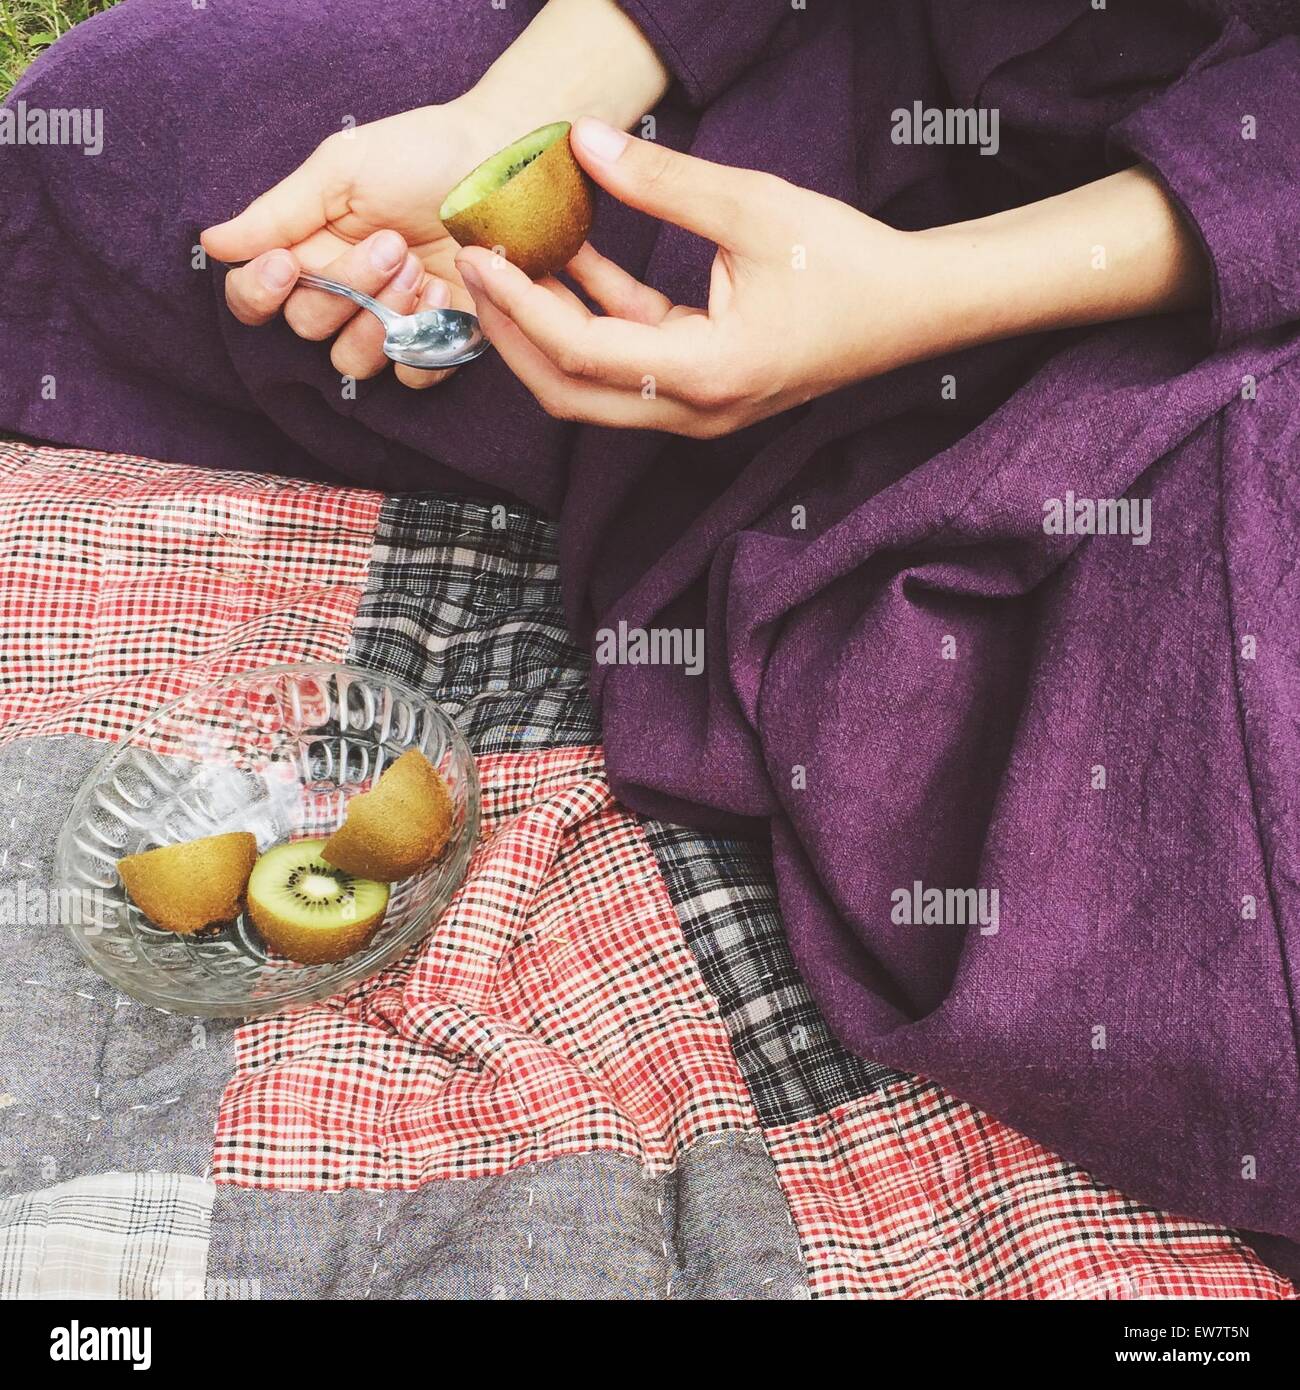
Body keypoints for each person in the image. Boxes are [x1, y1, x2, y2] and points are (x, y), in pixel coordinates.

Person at [2, 0, 1298, 1273]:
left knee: (1173, 797)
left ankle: (802, 502)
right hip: (866, 76)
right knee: (118, 127)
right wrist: (514, 121)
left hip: (1199, 261)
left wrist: (920, 300)